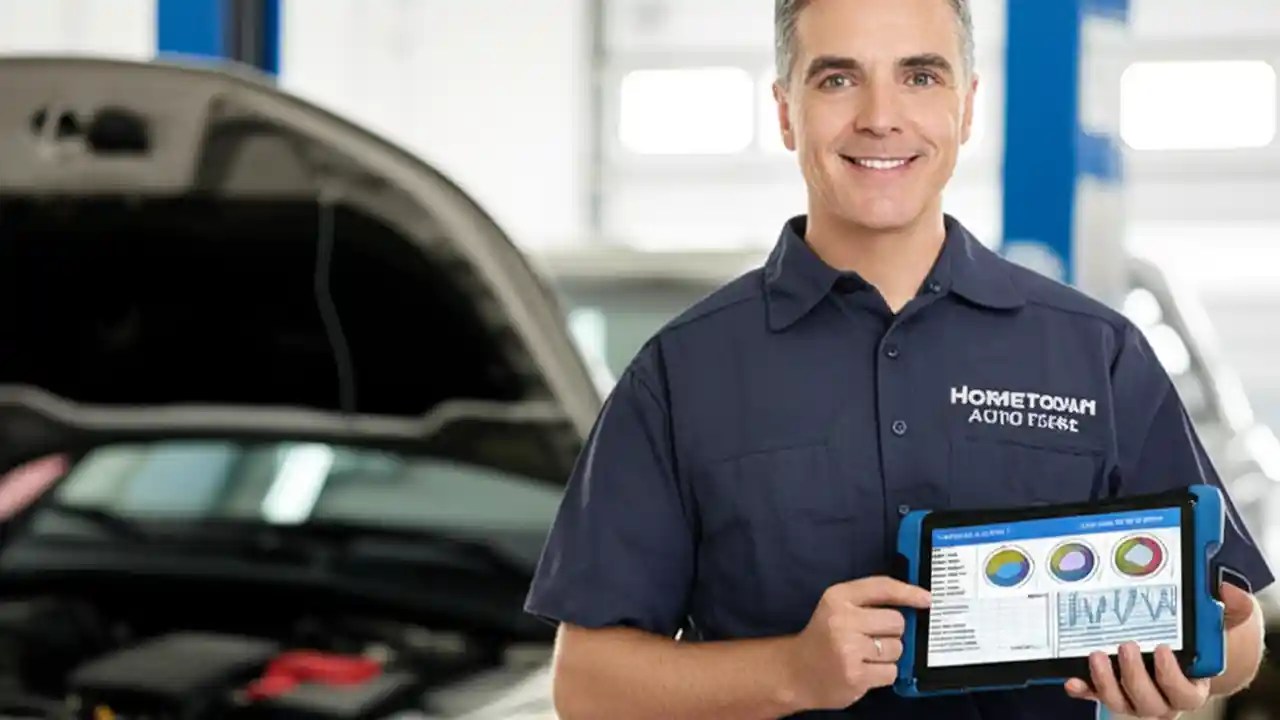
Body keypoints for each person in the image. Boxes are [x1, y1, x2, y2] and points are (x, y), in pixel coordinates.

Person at [524, 0, 1274, 717]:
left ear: (967, 107)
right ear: (785, 111)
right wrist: (791, 673)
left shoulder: (1095, 353)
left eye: (920, 76)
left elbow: (1237, 632)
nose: (880, 116)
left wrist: (1188, 669)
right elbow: (588, 685)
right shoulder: (683, 373)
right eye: (838, 78)